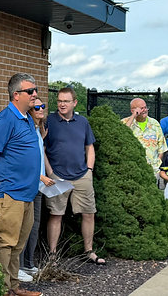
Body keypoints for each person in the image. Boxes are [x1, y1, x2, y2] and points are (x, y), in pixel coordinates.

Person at [0, 73, 43, 296]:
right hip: (8, 192)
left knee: (17, 245)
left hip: (26, 192)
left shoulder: (26, 118)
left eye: (35, 90)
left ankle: (14, 287)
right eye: (30, 91)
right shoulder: (6, 119)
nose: (35, 94)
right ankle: (1, 289)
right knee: (5, 244)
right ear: (16, 95)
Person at [43, 87, 104, 265]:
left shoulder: (82, 122)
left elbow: (89, 147)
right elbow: (43, 149)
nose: (62, 104)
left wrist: (90, 170)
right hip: (57, 177)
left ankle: (89, 251)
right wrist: (50, 173)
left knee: (89, 213)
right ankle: (52, 255)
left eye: (66, 101)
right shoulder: (49, 122)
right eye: (60, 101)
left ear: (74, 103)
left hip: (82, 175)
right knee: (56, 214)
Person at [18, 95, 55, 282]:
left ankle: (28, 263)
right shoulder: (25, 130)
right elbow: (23, 160)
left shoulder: (37, 130)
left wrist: (48, 174)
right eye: (36, 107)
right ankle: (17, 267)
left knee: (34, 226)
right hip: (29, 184)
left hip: (39, 185)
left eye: (42, 106)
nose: (40, 109)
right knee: (24, 226)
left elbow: (40, 156)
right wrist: (41, 176)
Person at [122, 98, 167, 184]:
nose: (144, 110)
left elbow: (161, 146)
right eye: (141, 108)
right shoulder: (125, 122)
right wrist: (134, 115)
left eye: (145, 107)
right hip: (134, 170)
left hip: (153, 170)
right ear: (132, 110)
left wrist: (157, 163)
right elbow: (122, 133)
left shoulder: (155, 124)